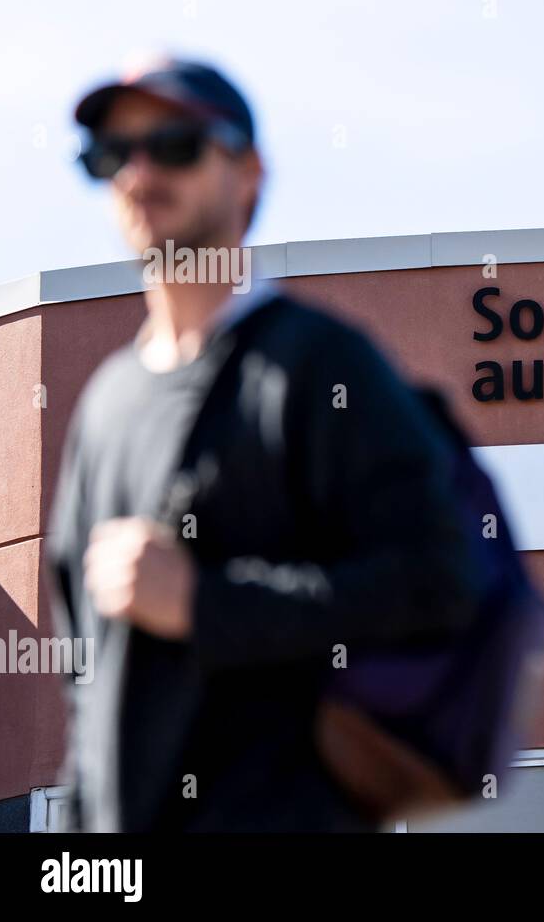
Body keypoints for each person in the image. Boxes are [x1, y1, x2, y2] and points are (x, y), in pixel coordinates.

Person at [46, 57, 481, 831]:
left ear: (248, 172)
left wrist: (206, 604)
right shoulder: (104, 407)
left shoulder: (320, 366)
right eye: (113, 154)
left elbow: (441, 585)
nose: (140, 173)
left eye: (174, 143)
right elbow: (90, 692)